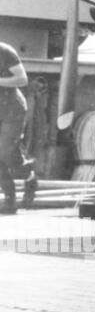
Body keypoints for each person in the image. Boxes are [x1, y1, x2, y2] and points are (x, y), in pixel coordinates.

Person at [0, 41, 36, 213]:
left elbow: (22, 79)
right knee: (5, 153)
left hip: (11, 109)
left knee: (4, 151)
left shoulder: (5, 51)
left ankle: (29, 177)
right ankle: (9, 198)